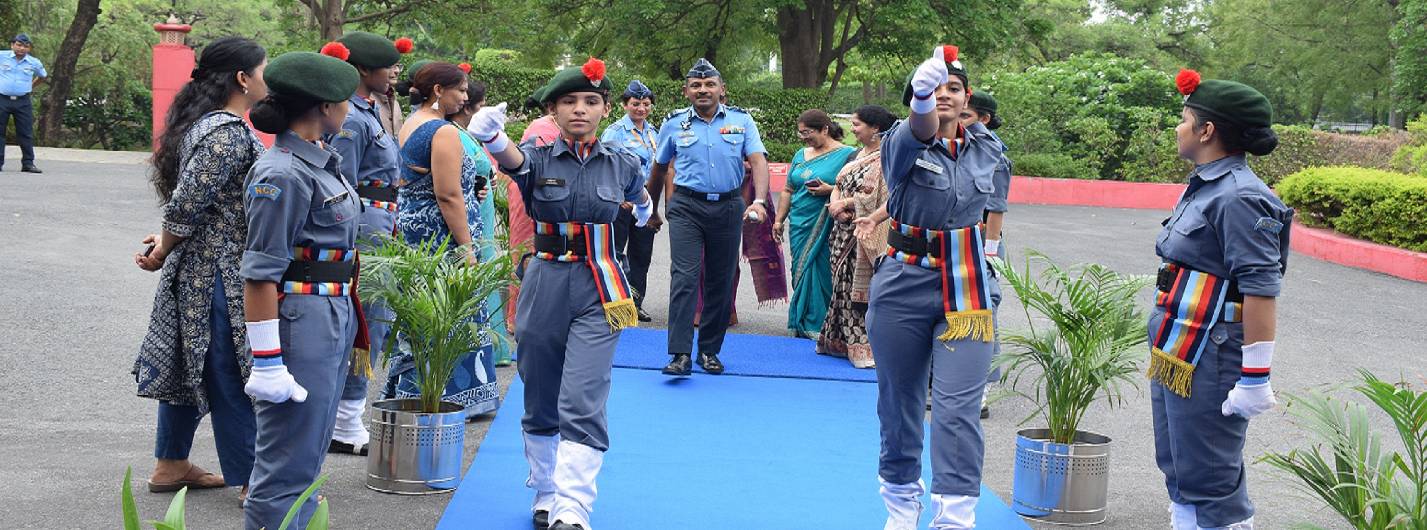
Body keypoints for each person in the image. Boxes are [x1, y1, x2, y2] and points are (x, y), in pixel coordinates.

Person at [466, 57, 651, 530]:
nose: (580, 110)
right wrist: (490, 136)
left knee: (584, 395)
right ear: (553, 110)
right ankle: (546, 489)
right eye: (568, 101)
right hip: (546, 280)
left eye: (591, 101)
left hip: (603, 285)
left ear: (606, 108)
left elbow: (639, 195)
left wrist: (646, 207)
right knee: (540, 389)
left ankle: (574, 505)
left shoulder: (622, 163)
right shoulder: (539, 156)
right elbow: (513, 159)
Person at [864, 45, 1005, 529]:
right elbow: (921, 126)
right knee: (899, 405)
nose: (944, 96)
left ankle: (954, 517)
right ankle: (902, 508)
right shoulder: (902, 141)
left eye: (953, 88)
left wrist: (993, 268)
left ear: (967, 98)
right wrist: (922, 99)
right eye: (932, 90)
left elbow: (993, 212)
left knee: (958, 409)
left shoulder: (987, 147)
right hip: (904, 280)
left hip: (966, 285)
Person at [1152, 69, 1290, 530]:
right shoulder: (1208, 184)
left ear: (1206, 131)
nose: (1178, 126)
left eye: (1184, 118)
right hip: (1181, 341)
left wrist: (1255, 376)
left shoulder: (1240, 196)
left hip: (1213, 350)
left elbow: (1260, 287)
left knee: (1211, 473)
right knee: (1179, 463)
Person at [132, 36, 267, 501]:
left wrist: (166, 243)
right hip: (216, 271)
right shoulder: (227, 133)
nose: (267, 78)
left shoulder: (208, 125)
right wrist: (163, 247)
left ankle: (171, 464)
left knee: (190, 362)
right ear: (243, 79)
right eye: (263, 69)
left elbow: (192, 205)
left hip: (200, 264)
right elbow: (188, 205)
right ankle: (255, 480)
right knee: (228, 369)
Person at [238, 46, 361, 530]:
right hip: (301, 320)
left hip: (331, 312)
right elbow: (260, 273)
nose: (350, 108)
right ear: (326, 107)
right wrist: (267, 362)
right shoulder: (282, 173)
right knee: (287, 459)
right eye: (345, 100)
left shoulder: (318, 163)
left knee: (308, 452)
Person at [385, 62, 499, 417]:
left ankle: (415, 391)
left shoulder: (410, 123)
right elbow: (448, 195)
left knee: (423, 314)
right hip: (442, 237)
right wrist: (466, 247)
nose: (466, 98)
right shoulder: (442, 131)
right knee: (452, 313)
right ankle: (458, 399)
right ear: (438, 90)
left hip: (416, 232)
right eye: (461, 90)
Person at [647, 58, 771, 377]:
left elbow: (757, 160)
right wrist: (651, 209)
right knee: (685, 277)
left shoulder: (743, 121)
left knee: (721, 279)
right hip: (687, 206)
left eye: (709, 84)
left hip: (729, 207)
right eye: (696, 85)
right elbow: (660, 167)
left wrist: (758, 201)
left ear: (721, 89)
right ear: (686, 91)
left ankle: (709, 351)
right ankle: (679, 355)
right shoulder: (673, 123)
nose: (703, 89)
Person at [324, 31, 404, 456]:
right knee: (368, 320)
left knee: (377, 319)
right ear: (362, 71)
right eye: (387, 65)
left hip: (380, 221)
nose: (394, 72)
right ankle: (344, 422)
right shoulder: (353, 119)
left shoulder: (369, 110)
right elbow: (342, 183)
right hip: (363, 229)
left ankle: (349, 416)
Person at [818, 104, 897, 368]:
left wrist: (848, 204)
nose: (851, 129)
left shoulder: (887, 157)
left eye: (856, 124)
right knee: (839, 283)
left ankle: (861, 347)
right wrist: (835, 205)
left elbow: (882, 197)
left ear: (875, 128)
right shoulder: (855, 154)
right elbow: (837, 185)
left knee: (855, 288)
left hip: (864, 230)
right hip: (840, 230)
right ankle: (836, 341)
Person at [448, 77, 515, 366]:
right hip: (471, 216)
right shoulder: (453, 135)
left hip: (482, 211)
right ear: (468, 108)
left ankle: (491, 346)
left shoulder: (467, 133)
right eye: (481, 102)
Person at [774, 109, 855, 339]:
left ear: (824, 129)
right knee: (799, 268)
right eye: (800, 133)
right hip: (799, 221)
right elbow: (788, 189)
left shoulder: (848, 154)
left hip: (827, 223)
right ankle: (801, 321)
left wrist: (828, 190)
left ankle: (822, 325)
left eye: (807, 132)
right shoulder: (800, 154)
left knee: (822, 270)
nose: (804, 138)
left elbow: (853, 190)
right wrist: (779, 220)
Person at [960, 91, 1011, 419]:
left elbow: (996, 209)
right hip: (956, 240)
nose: (958, 120)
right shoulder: (961, 147)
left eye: (966, 115)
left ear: (984, 119)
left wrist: (990, 255)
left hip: (982, 244)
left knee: (983, 315)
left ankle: (982, 388)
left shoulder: (994, 155)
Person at [600, 80, 660, 322]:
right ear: (624, 105)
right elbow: (604, 166)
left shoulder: (654, 133)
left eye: (646, 104)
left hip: (645, 200)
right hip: (621, 202)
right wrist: (619, 196)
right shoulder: (615, 132)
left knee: (641, 254)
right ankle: (614, 305)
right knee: (614, 253)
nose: (641, 109)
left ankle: (636, 303)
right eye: (635, 104)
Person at [0, 33, 46, 173]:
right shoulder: (2, 56)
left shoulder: (34, 62)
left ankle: (28, 163)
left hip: (23, 101)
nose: (22, 48)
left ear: (29, 48)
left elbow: (43, 76)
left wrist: (30, 87)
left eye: (25, 46)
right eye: (19, 45)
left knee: (25, 132)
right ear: (12, 45)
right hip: (2, 99)